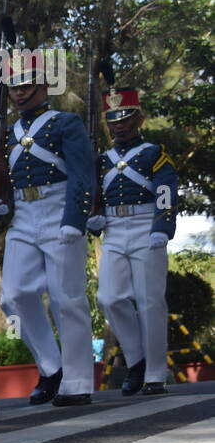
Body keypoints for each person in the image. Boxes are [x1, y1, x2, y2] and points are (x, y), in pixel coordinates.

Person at [0, 48, 96, 406]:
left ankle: (78, 382)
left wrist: (75, 220)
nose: (19, 92)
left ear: (44, 85)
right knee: (13, 295)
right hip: (26, 215)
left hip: (60, 208)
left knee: (67, 299)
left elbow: (83, 174)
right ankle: (52, 368)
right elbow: (3, 178)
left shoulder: (65, 123)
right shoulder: (8, 132)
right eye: (14, 86)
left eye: (27, 84)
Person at [88, 82, 178, 395]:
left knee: (150, 301)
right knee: (109, 297)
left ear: (139, 119)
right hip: (114, 228)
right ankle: (137, 359)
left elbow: (165, 189)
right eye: (113, 119)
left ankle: (154, 373)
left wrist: (162, 226)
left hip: (145, 226)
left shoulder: (154, 152)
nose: (120, 125)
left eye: (126, 118)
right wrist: (93, 218)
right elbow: (93, 194)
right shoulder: (101, 159)